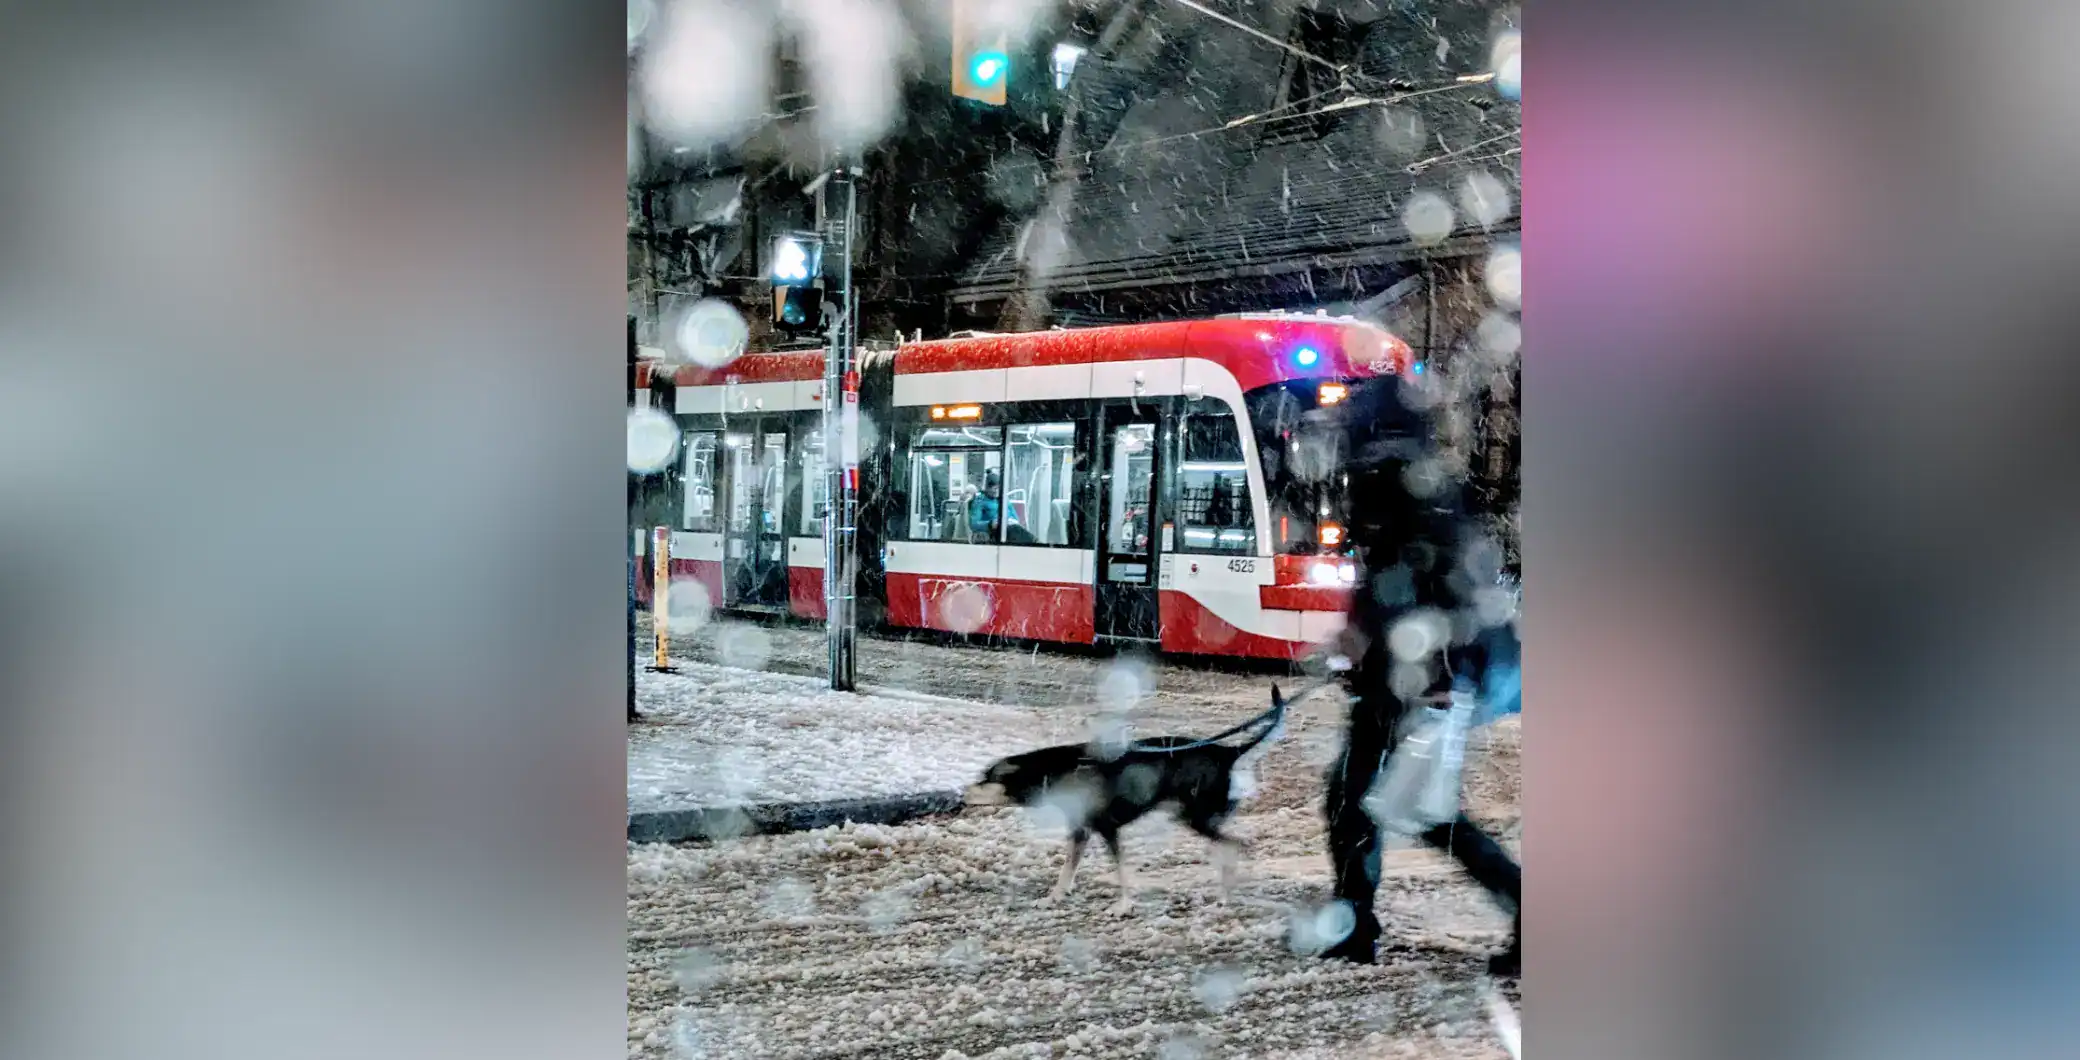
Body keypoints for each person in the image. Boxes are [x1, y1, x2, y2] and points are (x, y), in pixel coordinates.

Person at [1319, 373, 1521, 976]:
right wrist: (1362, 644)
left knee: (1410, 810)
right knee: (1364, 802)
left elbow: (1442, 585)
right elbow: (1390, 582)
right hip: (1403, 672)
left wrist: (1437, 671)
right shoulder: (1408, 481)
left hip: (1422, 675)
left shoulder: (1402, 483)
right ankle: (1354, 925)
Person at [967, 468, 1001, 539]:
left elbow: (1015, 518)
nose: (997, 491)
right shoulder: (980, 501)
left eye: (999, 488)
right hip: (990, 534)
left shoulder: (1004, 501)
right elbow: (973, 524)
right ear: (987, 488)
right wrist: (989, 524)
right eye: (995, 489)